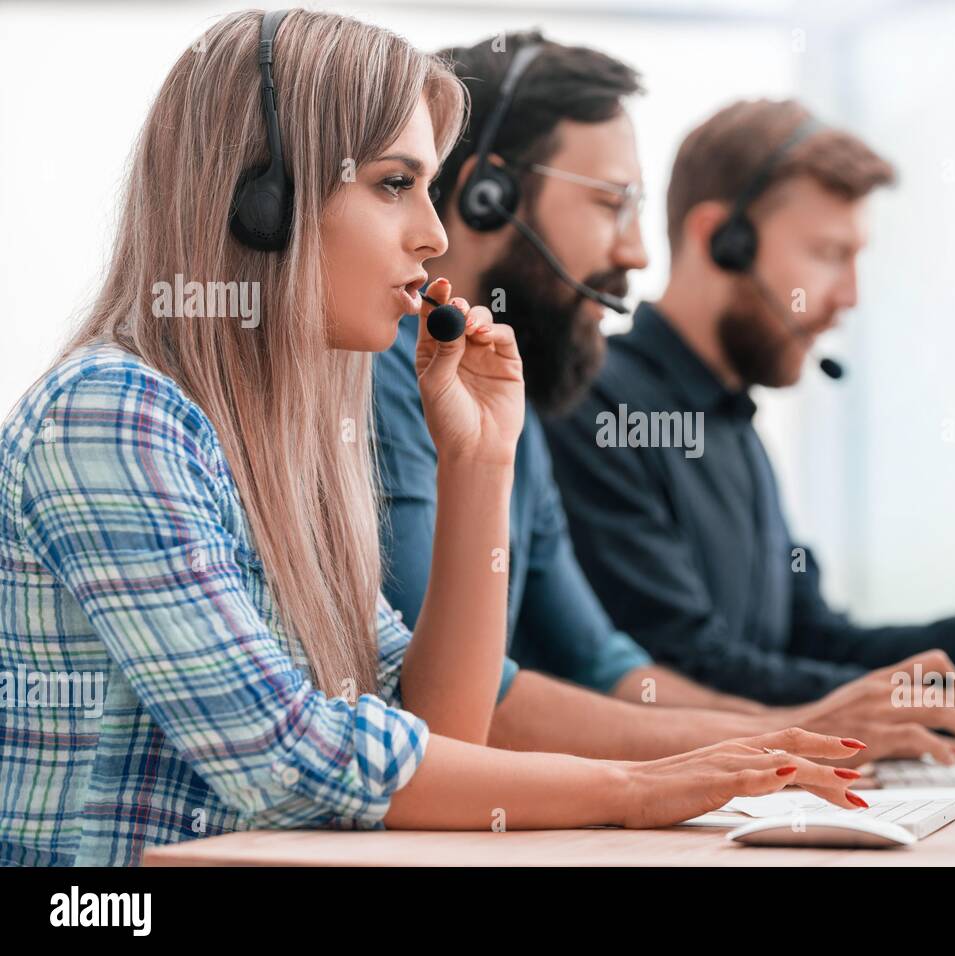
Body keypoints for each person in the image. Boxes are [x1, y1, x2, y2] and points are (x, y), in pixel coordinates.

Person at [0, 11, 869, 866]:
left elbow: (435, 728)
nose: (436, 232)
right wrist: (634, 790)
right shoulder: (113, 417)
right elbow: (285, 758)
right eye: (392, 183)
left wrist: (479, 463)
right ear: (260, 199)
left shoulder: (286, 441)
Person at [373, 31, 955, 767]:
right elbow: (449, 707)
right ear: (490, 198)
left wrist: (803, 731)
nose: (639, 252)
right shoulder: (388, 377)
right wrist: (785, 735)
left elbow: (611, 669)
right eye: (613, 204)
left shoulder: (512, 395)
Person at [544, 98, 955, 752]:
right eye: (830, 254)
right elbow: (687, 671)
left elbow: (817, 647)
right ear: (721, 240)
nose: (850, 296)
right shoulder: (598, 409)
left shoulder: (734, 428)